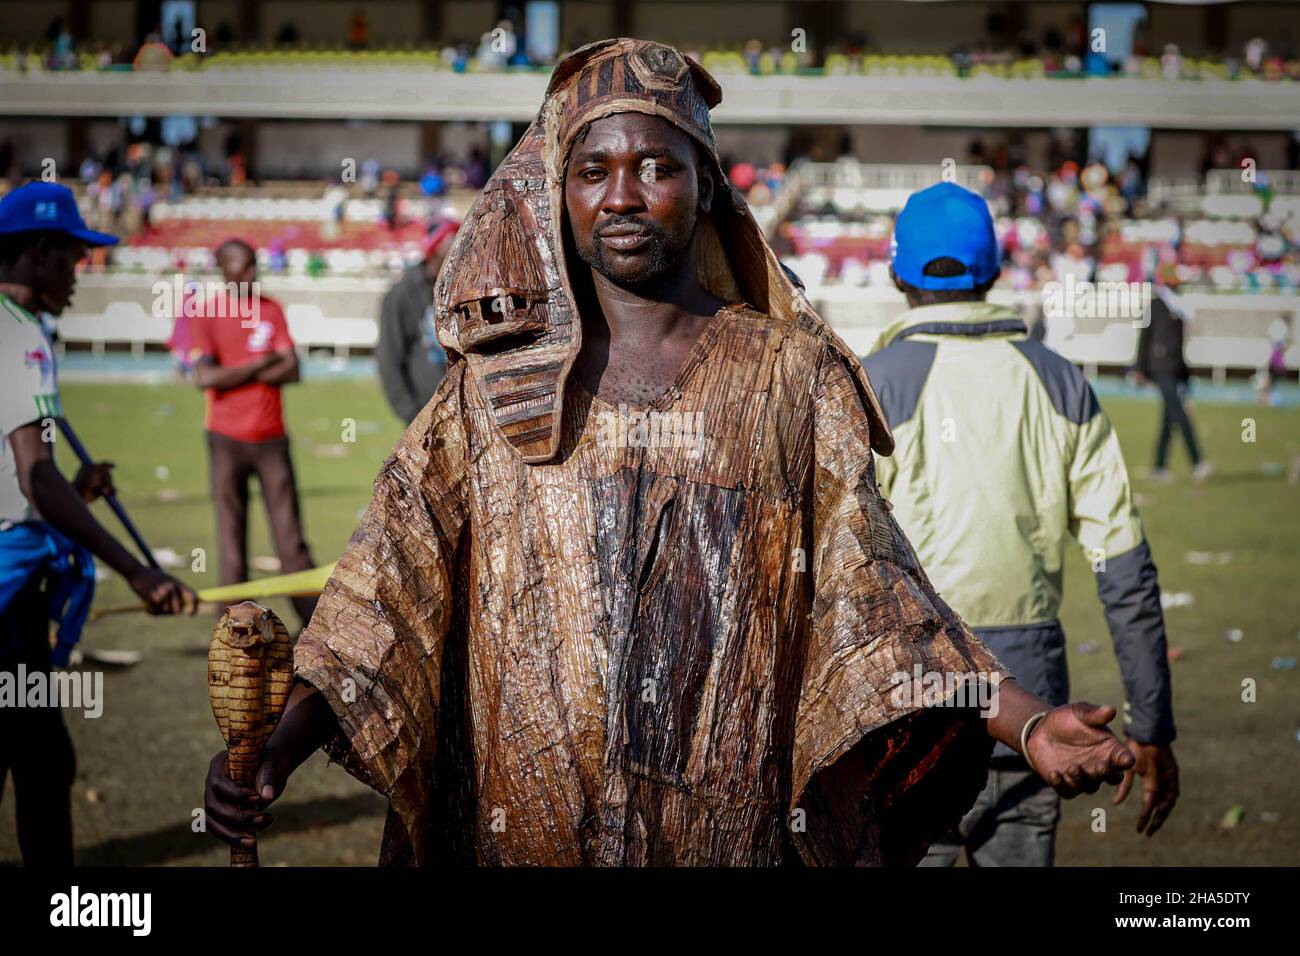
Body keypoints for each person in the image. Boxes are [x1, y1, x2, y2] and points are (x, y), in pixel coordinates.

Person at [204, 39, 1134, 867]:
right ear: (556, 194)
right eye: (592, 169)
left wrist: (1030, 723)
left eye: (657, 165)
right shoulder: (488, 393)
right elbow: (382, 595)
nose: (621, 193)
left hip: (726, 838)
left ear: (706, 183)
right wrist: (273, 756)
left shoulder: (792, 378)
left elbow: (882, 605)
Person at [861, 182, 1180, 867]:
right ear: (997, 272)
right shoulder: (1061, 381)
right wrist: (1152, 724)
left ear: (896, 273)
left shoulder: (868, 385)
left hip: (905, 711)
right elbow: (1123, 567)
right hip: (1035, 701)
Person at [0, 182, 197, 866]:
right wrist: (138, 570)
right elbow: (36, 476)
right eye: (73, 258)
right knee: (40, 760)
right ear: (37, 252)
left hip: (15, 567)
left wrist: (72, 489)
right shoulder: (19, 333)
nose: (81, 274)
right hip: (8, 586)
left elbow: (28, 476)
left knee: (36, 751)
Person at [192, 239, 317, 626]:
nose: (252, 273)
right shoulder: (206, 314)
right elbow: (204, 376)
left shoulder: (271, 309)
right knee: (232, 546)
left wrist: (235, 373)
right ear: (224, 270)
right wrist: (261, 365)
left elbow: (293, 369)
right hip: (225, 440)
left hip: (271, 439)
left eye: (254, 265)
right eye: (244, 266)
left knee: (290, 542)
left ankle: (317, 627)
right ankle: (233, 634)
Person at [375, 220, 458, 423]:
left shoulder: (462, 290)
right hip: (425, 413)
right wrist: (412, 415)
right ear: (435, 250)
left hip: (466, 411)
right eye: (453, 248)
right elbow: (389, 359)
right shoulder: (401, 295)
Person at [1136, 279, 1212, 481]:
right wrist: (1140, 368)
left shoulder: (1179, 307)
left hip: (1175, 368)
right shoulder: (1155, 305)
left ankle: (1159, 467)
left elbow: (1180, 345)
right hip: (1160, 368)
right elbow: (1145, 337)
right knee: (1180, 415)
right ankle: (1198, 462)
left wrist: (1185, 374)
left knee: (1169, 418)